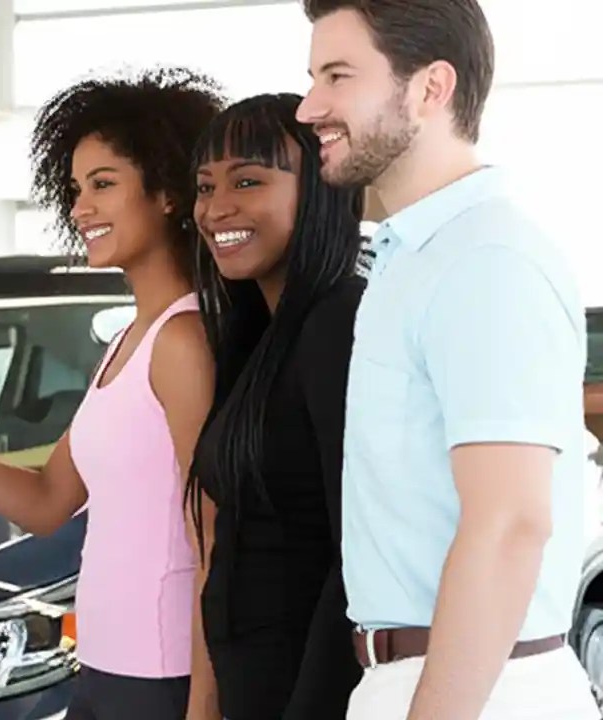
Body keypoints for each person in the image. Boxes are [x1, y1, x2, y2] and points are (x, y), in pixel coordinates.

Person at [0, 66, 225, 719]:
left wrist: (204, 708)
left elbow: (216, 542)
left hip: (162, 678)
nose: (80, 208)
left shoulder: (182, 341)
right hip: (101, 669)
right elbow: (45, 503)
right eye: (74, 189)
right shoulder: (125, 344)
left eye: (103, 184)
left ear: (168, 192)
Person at [297, 1, 597, 718]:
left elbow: (510, 523)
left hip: (482, 689)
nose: (309, 107)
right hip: (427, 679)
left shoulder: (485, 258)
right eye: (313, 78)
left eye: (338, 76)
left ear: (431, 87)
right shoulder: (416, 257)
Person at [181, 93, 367, 720]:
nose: (216, 209)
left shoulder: (339, 321)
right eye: (205, 187)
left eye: (248, 181)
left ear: (321, 189)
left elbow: (354, 561)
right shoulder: (256, 333)